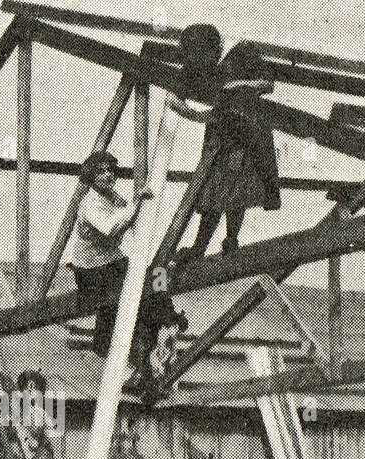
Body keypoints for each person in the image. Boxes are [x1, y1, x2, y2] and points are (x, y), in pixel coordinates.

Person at [74, 150, 182, 387]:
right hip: (91, 271)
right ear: (91, 177)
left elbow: (131, 224)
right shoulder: (90, 203)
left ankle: (166, 322)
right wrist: (136, 205)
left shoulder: (111, 197)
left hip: (111, 262)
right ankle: (163, 326)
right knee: (137, 292)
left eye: (111, 170)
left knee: (157, 272)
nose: (109, 175)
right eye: (102, 171)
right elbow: (112, 227)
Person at [170, 31, 280, 263]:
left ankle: (230, 241)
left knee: (237, 188)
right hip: (222, 131)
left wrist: (238, 84)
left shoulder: (242, 51)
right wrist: (196, 115)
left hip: (248, 131)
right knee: (213, 189)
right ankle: (199, 248)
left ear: (214, 49)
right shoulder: (201, 56)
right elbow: (176, 95)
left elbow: (268, 84)